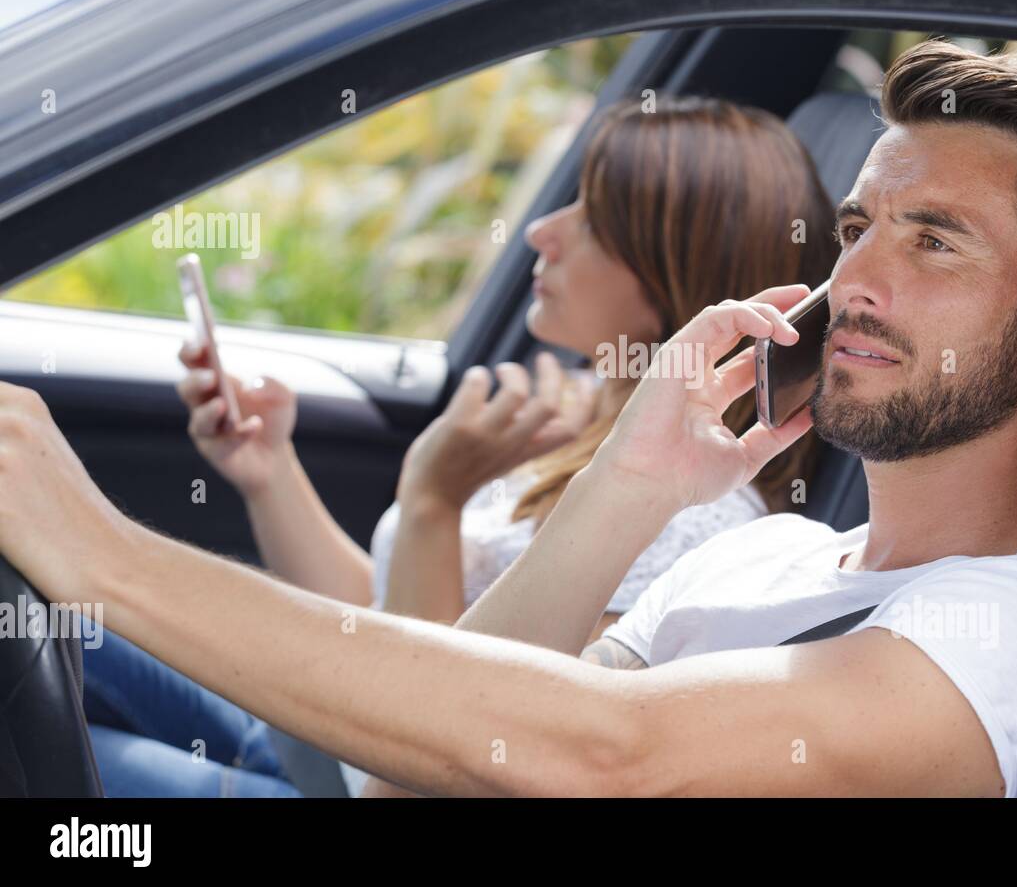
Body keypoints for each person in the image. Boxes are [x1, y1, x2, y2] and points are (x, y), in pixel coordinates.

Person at [2, 38, 1017, 797]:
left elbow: (611, 753)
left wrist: (93, 544)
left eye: (933, 239)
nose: (858, 276)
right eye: (860, 226)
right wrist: (630, 479)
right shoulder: (768, 553)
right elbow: (419, 781)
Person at [79, 95, 837, 796]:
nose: (544, 229)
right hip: (313, 743)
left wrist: (433, 502)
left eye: (594, 220)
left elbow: (466, 745)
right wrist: (268, 471)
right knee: (45, 592)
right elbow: (376, 628)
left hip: (358, 783)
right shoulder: (573, 434)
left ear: (676, 278)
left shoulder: (684, 512)